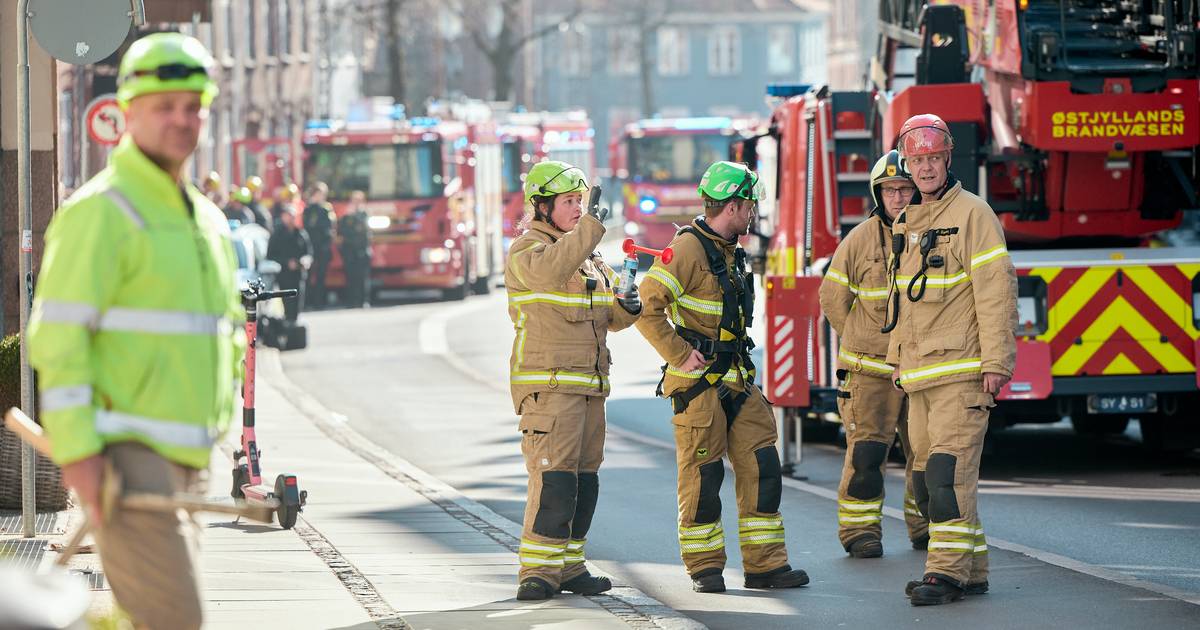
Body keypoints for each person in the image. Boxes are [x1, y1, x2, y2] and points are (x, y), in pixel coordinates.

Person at [27, 33, 244, 630]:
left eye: (193, 106)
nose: (181, 119)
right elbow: (59, 341)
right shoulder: (101, 212)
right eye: (164, 106)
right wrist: (80, 456)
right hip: (126, 458)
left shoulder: (206, 220)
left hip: (188, 459)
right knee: (176, 620)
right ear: (128, 111)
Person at [636, 161, 809, 594]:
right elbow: (646, 307)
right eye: (749, 205)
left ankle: (766, 566)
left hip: (736, 380)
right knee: (703, 477)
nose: (753, 213)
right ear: (733, 206)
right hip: (698, 387)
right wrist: (680, 354)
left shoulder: (730, 250)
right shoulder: (687, 250)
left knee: (762, 467)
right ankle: (705, 568)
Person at [885, 114, 1017, 606]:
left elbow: (996, 292)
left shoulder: (974, 214)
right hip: (920, 376)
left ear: (947, 159)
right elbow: (903, 301)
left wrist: (997, 361)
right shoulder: (908, 221)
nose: (925, 168)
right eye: (917, 160)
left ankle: (945, 574)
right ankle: (973, 568)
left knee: (947, 476)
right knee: (927, 482)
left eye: (933, 159)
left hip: (962, 374)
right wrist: (897, 359)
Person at [505, 160, 642, 601]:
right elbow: (551, 272)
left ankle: (569, 566)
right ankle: (538, 573)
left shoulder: (586, 257)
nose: (578, 209)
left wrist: (629, 304)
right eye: (568, 201)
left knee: (584, 485)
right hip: (550, 390)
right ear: (541, 206)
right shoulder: (528, 250)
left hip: (588, 388)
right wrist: (589, 231)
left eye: (580, 201)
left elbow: (609, 315)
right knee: (555, 482)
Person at [818, 150, 930, 559]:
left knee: (927, 456)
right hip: (870, 372)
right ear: (877, 194)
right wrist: (860, 338)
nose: (898, 197)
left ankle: (925, 527)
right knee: (867, 454)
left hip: (921, 369)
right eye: (889, 190)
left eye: (905, 188)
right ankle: (860, 532)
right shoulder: (860, 239)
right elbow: (832, 298)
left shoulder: (936, 231)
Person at [267, 206, 312, 321]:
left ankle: (295, 322)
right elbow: (270, 256)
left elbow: (308, 252)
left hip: (298, 274)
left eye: (292, 216)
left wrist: (306, 260)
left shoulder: (301, 233)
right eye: (288, 216)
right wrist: (286, 262)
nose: (290, 219)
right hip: (284, 275)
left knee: (298, 302)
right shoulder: (277, 234)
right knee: (287, 303)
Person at [303, 181, 336, 309]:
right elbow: (308, 226)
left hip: (323, 247)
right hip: (311, 247)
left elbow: (330, 228)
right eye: (319, 194)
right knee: (308, 275)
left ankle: (319, 301)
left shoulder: (326, 209)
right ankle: (307, 301)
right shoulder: (309, 209)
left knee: (321, 275)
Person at [338, 190, 372, 307]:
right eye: (354, 200)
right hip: (349, 251)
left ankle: (363, 300)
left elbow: (365, 232)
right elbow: (342, 231)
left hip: (362, 250)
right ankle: (352, 300)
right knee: (350, 277)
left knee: (362, 277)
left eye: (359, 201)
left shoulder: (365, 215)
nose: (356, 203)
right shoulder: (346, 216)